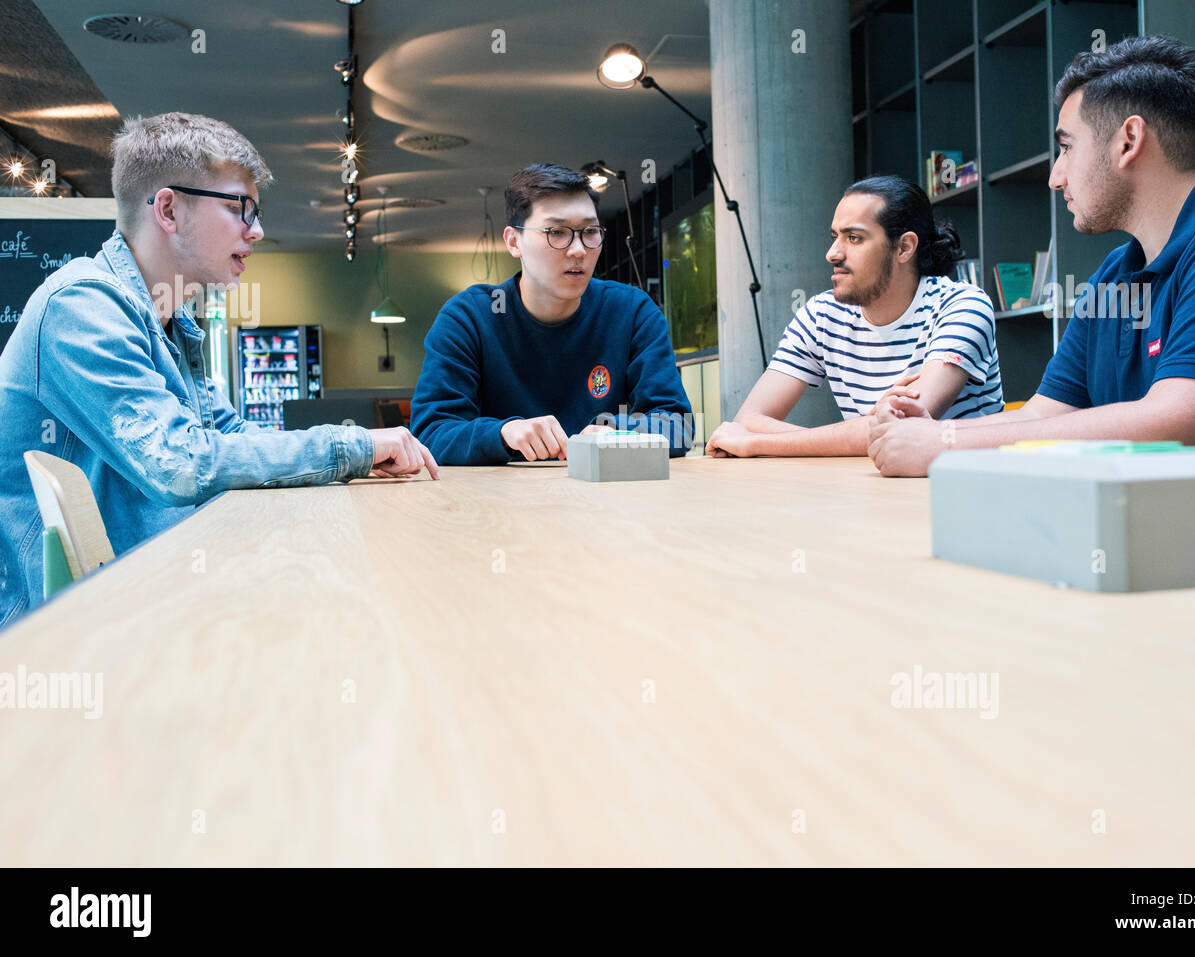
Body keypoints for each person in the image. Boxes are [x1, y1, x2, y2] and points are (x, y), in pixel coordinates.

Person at [0, 112, 437, 627]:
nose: (258, 230)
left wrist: (353, 452)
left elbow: (227, 432)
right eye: (239, 208)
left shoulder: (171, 315)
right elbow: (179, 463)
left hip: (145, 586)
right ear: (168, 208)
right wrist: (348, 447)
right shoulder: (80, 306)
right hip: (71, 626)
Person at [868, 35, 1195, 476]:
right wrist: (925, 429)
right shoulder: (1116, 272)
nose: (1055, 177)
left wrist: (947, 443)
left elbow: (1180, 422)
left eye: (1067, 147)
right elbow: (1043, 415)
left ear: (1128, 140)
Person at [410, 163, 693, 464]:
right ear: (514, 241)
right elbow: (431, 432)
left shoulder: (632, 311)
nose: (578, 250)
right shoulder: (468, 319)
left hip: (605, 499)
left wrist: (617, 433)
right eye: (556, 232)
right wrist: (503, 433)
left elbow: (677, 425)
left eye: (590, 232)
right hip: (499, 504)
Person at [705, 175, 1001, 458]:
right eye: (836, 236)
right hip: (873, 487)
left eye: (854, 238)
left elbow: (903, 430)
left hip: (958, 492)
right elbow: (748, 419)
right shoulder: (822, 315)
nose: (833, 253)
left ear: (904, 247)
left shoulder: (962, 306)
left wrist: (758, 442)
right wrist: (859, 432)